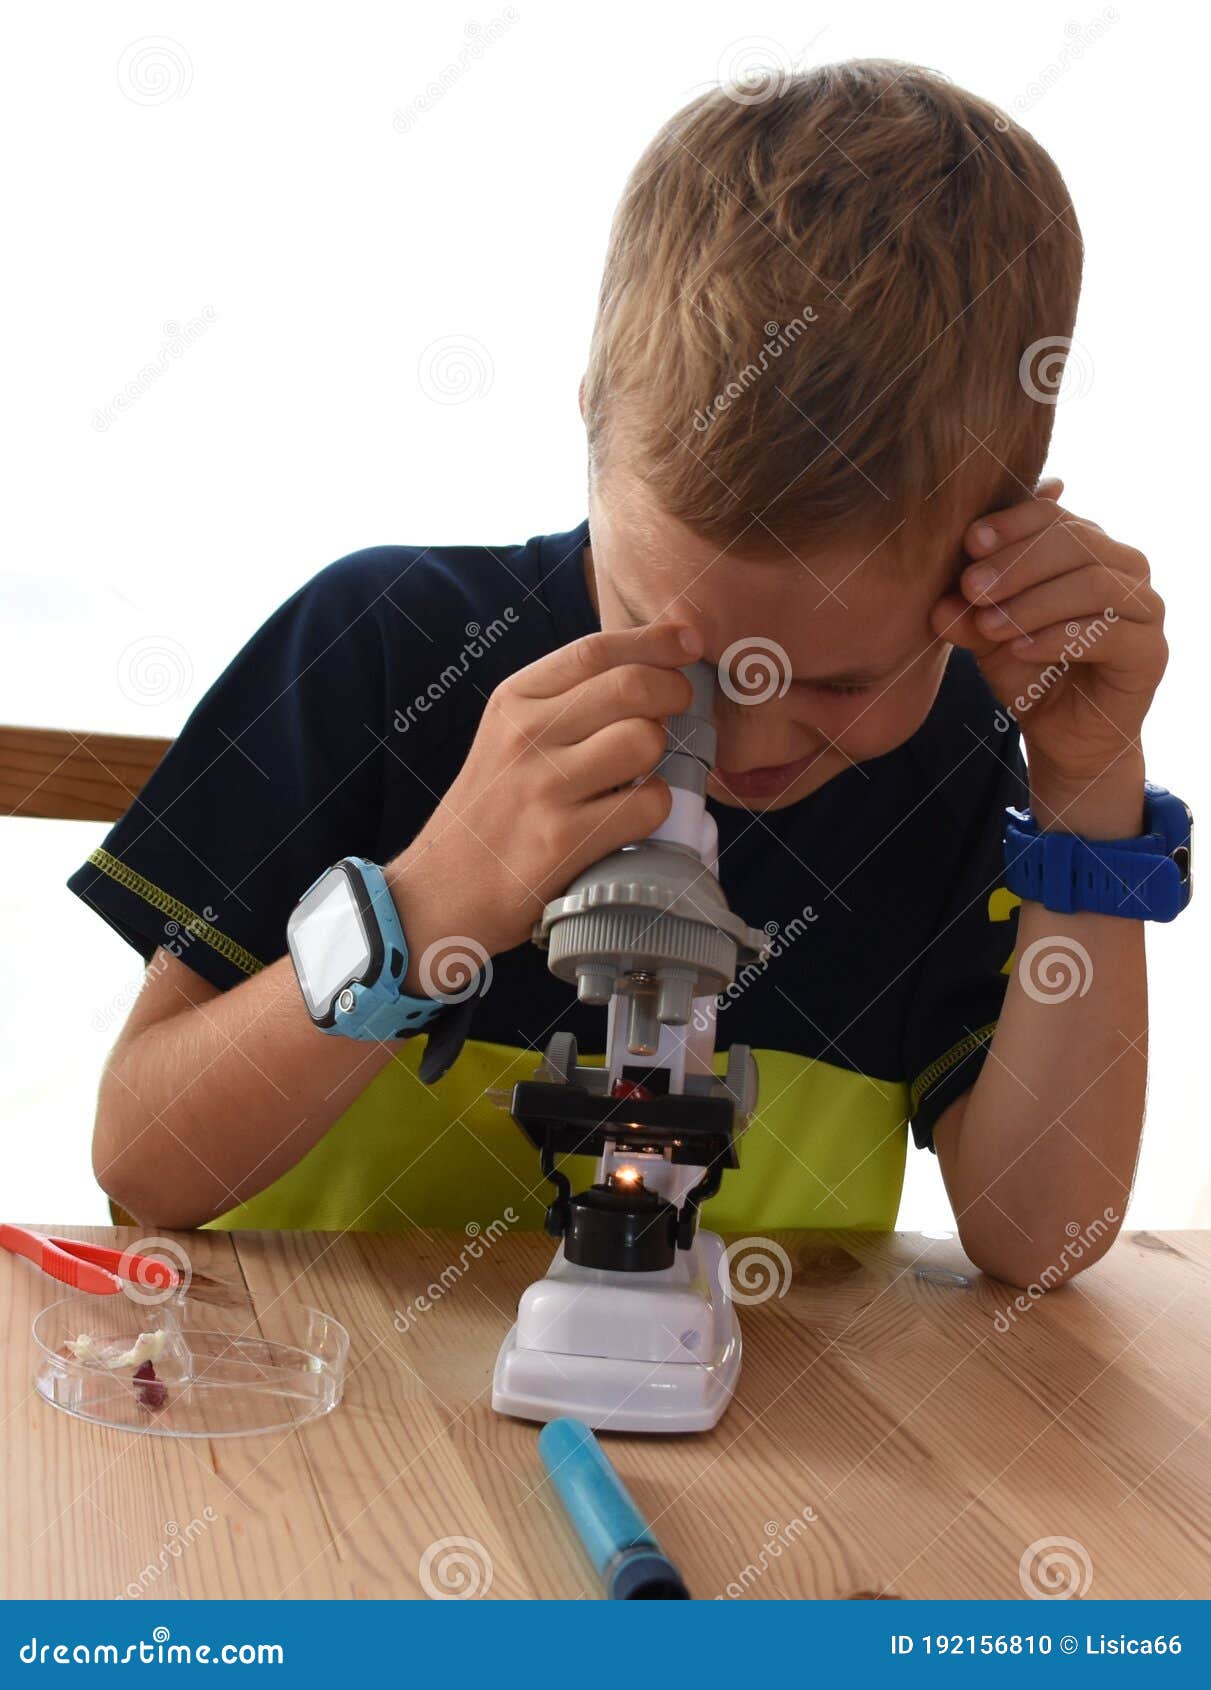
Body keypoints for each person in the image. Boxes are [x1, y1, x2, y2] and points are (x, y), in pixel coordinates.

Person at [70, 61, 1178, 1290]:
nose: (745, 739)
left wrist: (1086, 787)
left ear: (995, 561)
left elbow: (1039, 1238)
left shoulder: (955, 752)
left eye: (834, 685)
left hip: (762, 1398)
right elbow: (145, 1164)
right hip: (324, 1394)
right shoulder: (381, 647)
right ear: (593, 429)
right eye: (668, 639)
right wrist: (430, 904)